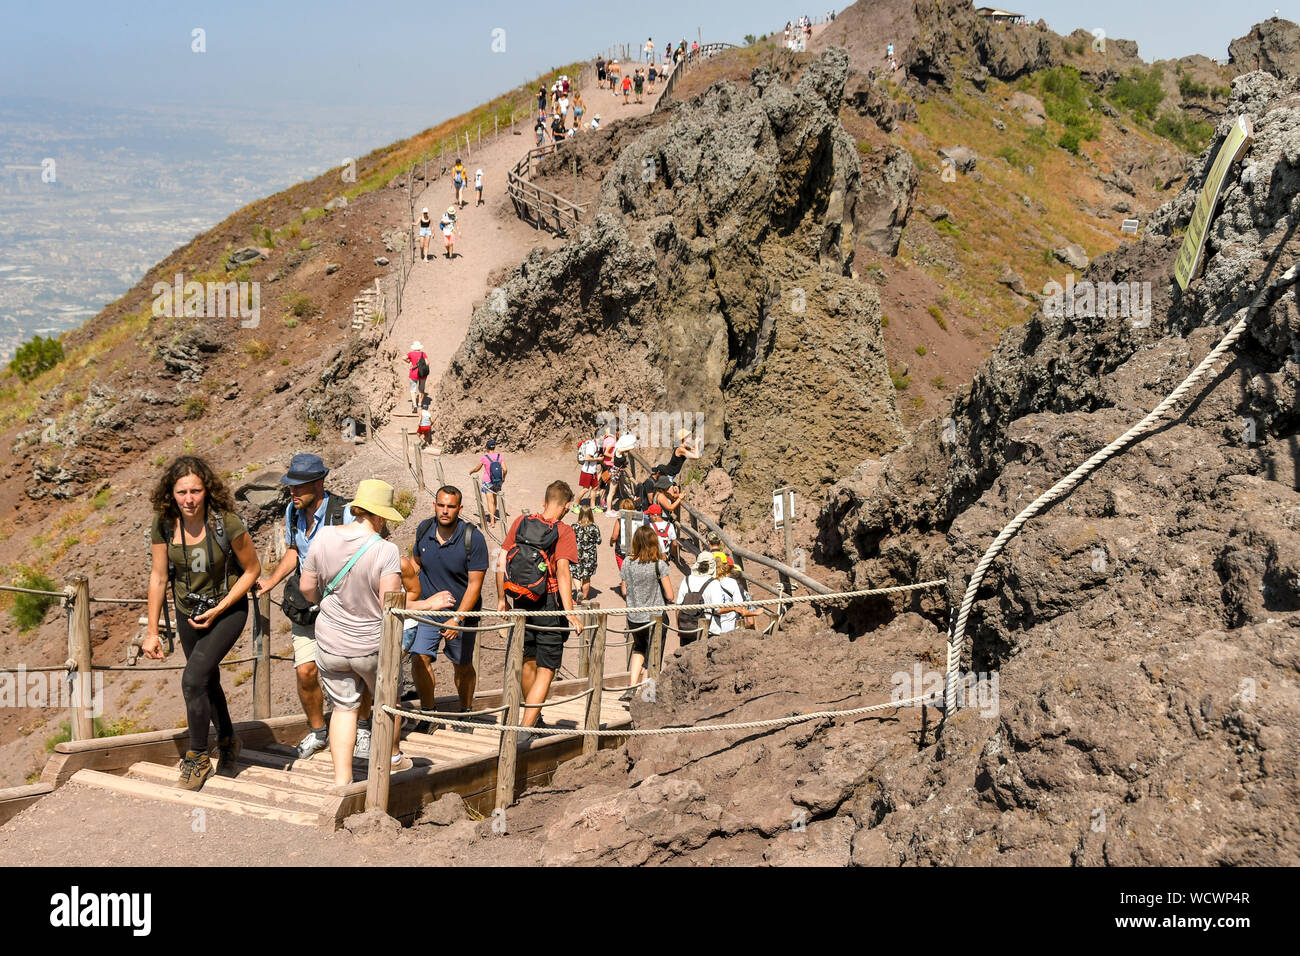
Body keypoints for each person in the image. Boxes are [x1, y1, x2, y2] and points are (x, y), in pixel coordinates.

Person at [143, 456, 261, 791]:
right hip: (188, 612)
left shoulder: (226, 522)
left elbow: (252, 569)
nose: (189, 499)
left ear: (207, 490)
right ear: (172, 494)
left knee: (193, 679)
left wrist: (221, 606)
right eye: (182, 492)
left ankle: (196, 757)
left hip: (227, 610)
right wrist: (152, 632)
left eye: (195, 490)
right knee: (207, 680)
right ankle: (227, 741)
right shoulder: (164, 524)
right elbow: (158, 575)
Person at [299, 479, 413, 786]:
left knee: (343, 709)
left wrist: (329, 599)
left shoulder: (323, 537)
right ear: (379, 516)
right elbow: (390, 605)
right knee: (389, 703)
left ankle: (342, 783)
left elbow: (307, 588)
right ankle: (391, 763)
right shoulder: (386, 550)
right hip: (370, 645)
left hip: (331, 644)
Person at [255, 453, 359, 762]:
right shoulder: (292, 512)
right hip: (305, 607)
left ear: (319, 483)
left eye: (299, 487)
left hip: (341, 608)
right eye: (290, 487)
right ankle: (318, 732)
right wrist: (271, 581)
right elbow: (293, 551)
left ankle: (361, 730)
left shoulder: (346, 513)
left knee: (352, 672)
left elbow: (366, 550)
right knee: (305, 671)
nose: (293, 493)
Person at [497, 481, 582, 728]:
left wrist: (502, 599)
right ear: (567, 506)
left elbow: (501, 560)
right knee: (547, 668)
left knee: (528, 659)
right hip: (548, 604)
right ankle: (525, 729)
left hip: (521, 598)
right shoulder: (563, 531)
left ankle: (533, 720)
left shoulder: (521, 523)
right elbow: (563, 572)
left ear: (544, 501)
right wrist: (570, 613)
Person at [402, 486, 488, 720]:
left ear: (459, 509)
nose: (445, 511)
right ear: (434, 506)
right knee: (419, 657)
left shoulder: (473, 538)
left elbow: (475, 585)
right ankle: (429, 714)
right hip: (428, 608)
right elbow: (415, 564)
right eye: (441, 505)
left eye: (451, 506)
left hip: (461, 611)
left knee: (461, 664)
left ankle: (466, 710)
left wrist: (457, 618)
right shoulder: (424, 529)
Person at [618, 525, 673, 700]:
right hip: (654, 617)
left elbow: (625, 591)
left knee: (639, 648)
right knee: (653, 654)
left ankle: (632, 686)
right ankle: (648, 695)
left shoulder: (627, 562)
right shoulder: (659, 564)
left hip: (634, 616)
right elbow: (670, 594)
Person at [674, 552, 714, 647]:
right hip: (707, 628)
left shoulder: (687, 580)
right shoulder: (713, 583)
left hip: (686, 626)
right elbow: (719, 608)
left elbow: (678, 607)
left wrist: (678, 627)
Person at [703, 556, 746, 636]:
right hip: (729, 627)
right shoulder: (732, 582)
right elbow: (739, 604)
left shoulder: (705, 582)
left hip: (710, 627)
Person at [469, 438, 506, 527]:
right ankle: (495, 517)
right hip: (497, 481)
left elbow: (478, 468)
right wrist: (503, 478)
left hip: (487, 481)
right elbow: (505, 469)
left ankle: (492, 521)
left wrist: (472, 471)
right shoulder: (499, 457)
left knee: (490, 501)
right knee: (495, 499)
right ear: (494, 447)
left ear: (487, 447)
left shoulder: (484, 458)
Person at [572, 506, 600, 601]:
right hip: (590, 555)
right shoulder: (594, 527)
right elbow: (599, 540)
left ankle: (578, 590)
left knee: (576, 574)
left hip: (577, 554)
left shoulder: (574, 526)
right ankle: (584, 597)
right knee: (586, 577)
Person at [608, 496, 636, 571]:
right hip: (635, 551)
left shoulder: (619, 521)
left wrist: (611, 542)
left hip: (621, 551)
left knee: (624, 575)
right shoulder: (637, 519)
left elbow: (614, 536)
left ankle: (624, 582)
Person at [576, 433, 602, 508]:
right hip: (587, 471)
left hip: (593, 471)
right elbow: (587, 458)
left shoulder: (597, 445)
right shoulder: (591, 445)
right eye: (604, 436)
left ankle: (593, 506)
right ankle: (575, 505)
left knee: (595, 488)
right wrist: (598, 459)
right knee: (585, 489)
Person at [406, 340, 428, 413]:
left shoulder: (410, 354)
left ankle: (414, 405)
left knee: (413, 390)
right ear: (420, 348)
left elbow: (403, 357)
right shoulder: (423, 354)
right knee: (421, 389)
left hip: (413, 373)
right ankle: (419, 404)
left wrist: (409, 362)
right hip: (422, 374)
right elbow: (427, 363)